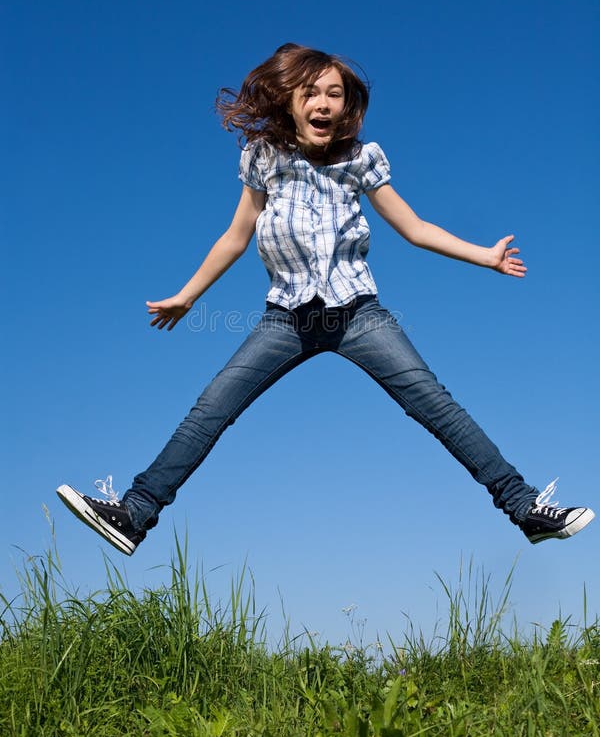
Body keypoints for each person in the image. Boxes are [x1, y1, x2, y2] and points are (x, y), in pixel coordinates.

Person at [57, 43, 594, 555]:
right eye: (311, 91)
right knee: (209, 411)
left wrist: (486, 256)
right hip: (286, 318)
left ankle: (524, 508)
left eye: (334, 93)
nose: (323, 102)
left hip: (358, 314)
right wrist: (187, 297)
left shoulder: (361, 160)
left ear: (346, 107)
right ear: (288, 101)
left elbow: (413, 227)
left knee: (437, 407)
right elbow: (236, 236)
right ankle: (133, 514)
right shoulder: (263, 157)